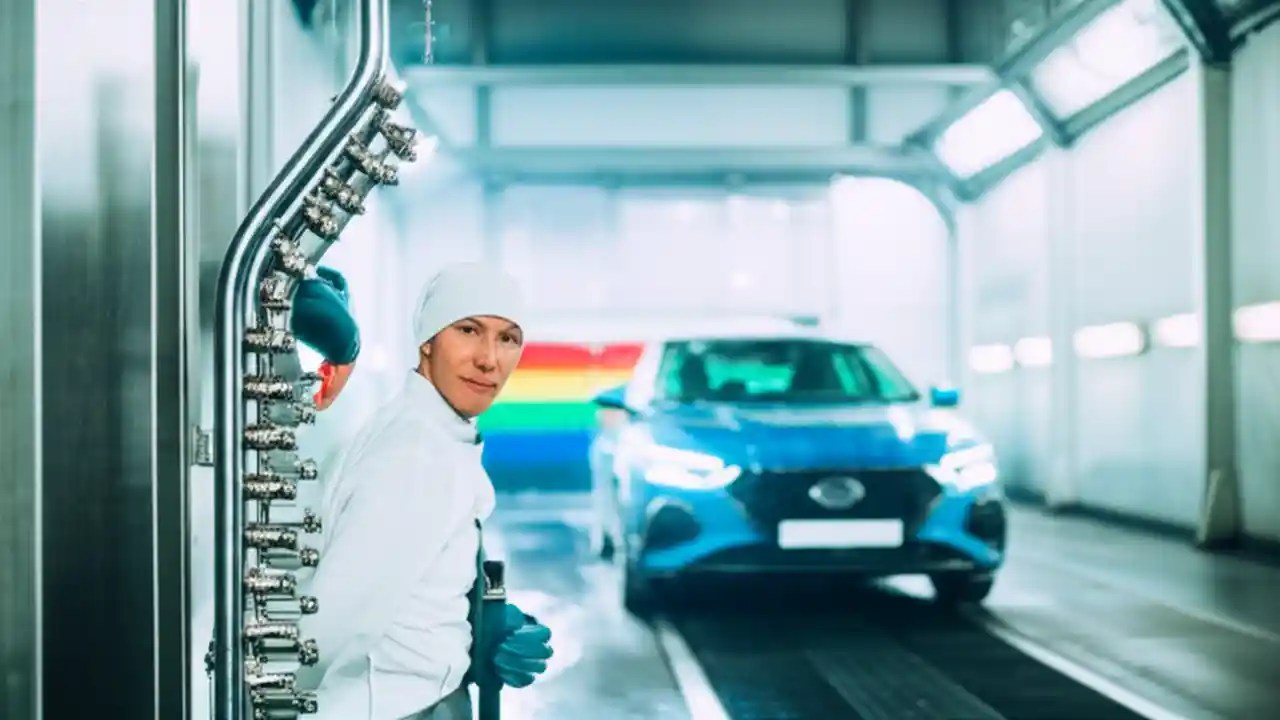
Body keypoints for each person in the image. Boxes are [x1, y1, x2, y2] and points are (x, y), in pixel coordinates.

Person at [295, 261, 554, 720]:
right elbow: (335, 618)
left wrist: (475, 620)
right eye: (468, 330)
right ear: (427, 340)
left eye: (508, 338)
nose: (489, 359)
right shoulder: (417, 452)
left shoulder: (434, 432)